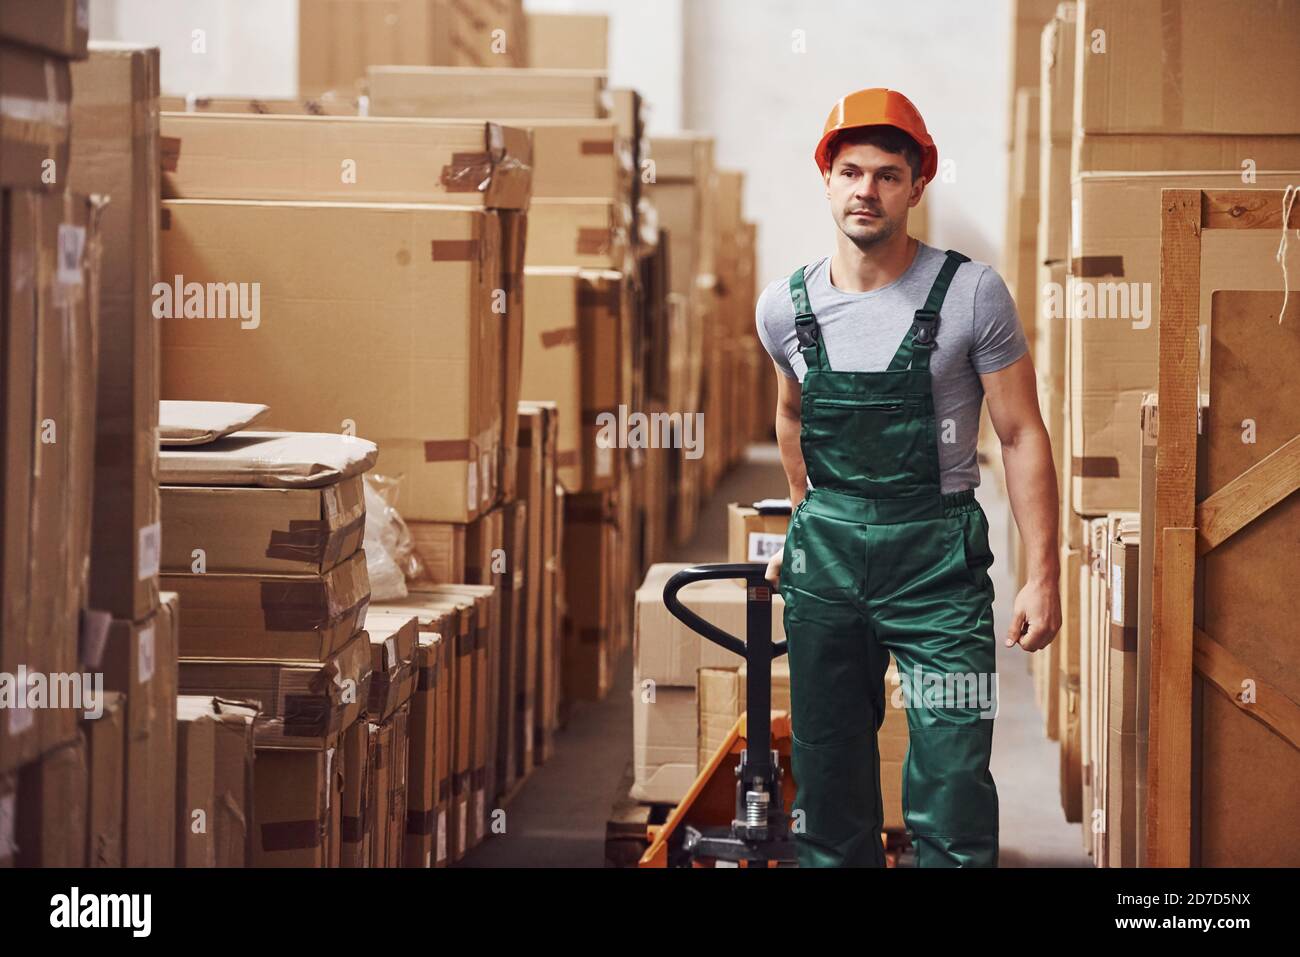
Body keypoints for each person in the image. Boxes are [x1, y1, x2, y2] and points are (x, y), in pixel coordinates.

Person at [756, 88, 1061, 867]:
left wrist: (1042, 576)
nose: (867, 190)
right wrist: (801, 518)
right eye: (851, 171)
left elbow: (1022, 433)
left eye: (888, 174)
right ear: (826, 179)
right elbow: (791, 416)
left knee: (955, 782)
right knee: (826, 784)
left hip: (939, 565)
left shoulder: (971, 294)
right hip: (826, 564)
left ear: (916, 186)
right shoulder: (784, 308)